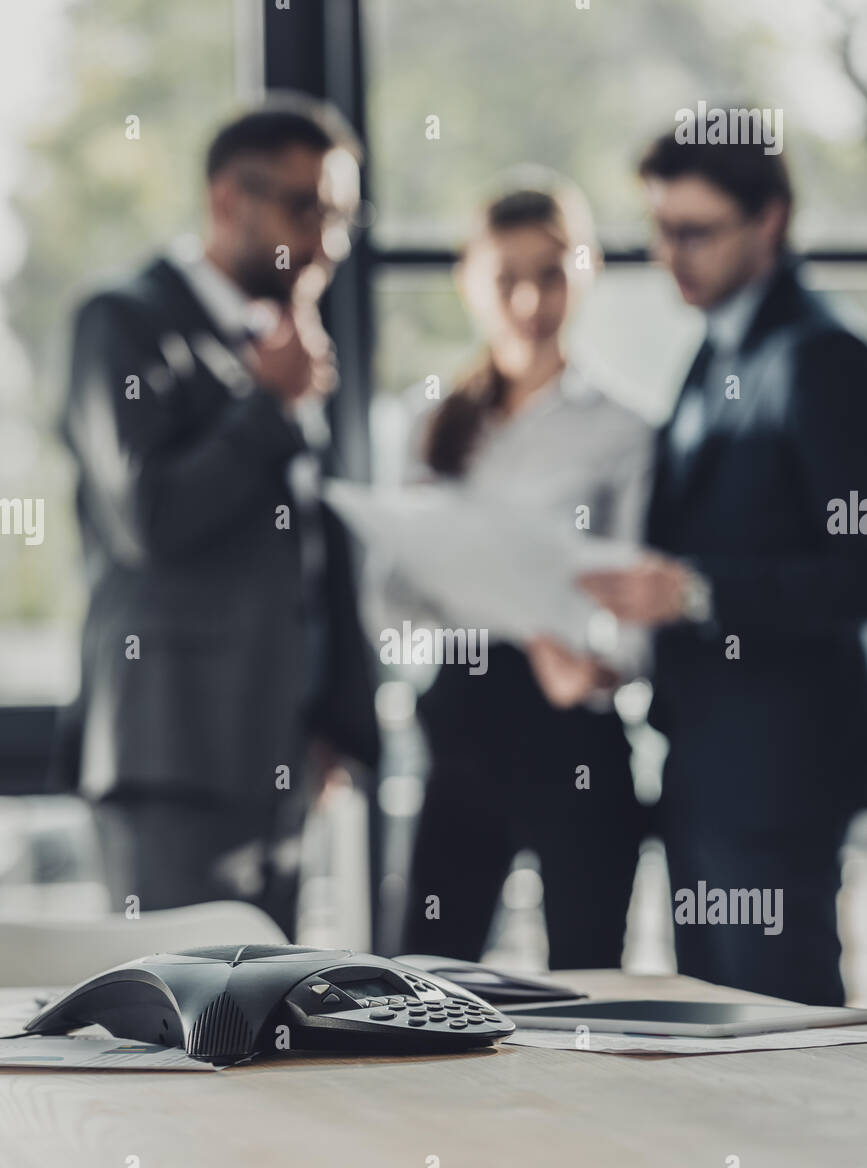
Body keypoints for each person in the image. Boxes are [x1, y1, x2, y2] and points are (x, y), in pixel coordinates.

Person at [61, 96, 379, 935]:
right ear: (226, 199)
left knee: (267, 1038)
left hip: (283, 761)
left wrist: (333, 720)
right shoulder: (122, 322)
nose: (327, 240)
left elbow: (312, 551)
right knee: (178, 1035)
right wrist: (268, 404)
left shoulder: (288, 348)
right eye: (305, 207)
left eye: (342, 214)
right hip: (172, 758)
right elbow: (147, 520)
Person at [582, 129, 867, 1005]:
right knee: (710, 1022)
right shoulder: (714, 352)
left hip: (777, 765)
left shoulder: (820, 360)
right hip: (702, 751)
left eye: (696, 231)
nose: (671, 255)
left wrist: (696, 590)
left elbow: (854, 573)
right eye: (660, 230)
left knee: (779, 1025)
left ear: (769, 220)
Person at [376, 181, 652, 968]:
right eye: (506, 278)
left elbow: (636, 593)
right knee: (428, 970)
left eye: (553, 273)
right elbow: (390, 596)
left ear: (587, 271)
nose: (530, 300)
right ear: (469, 280)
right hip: (461, 714)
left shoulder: (625, 428)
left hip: (574, 718)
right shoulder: (425, 422)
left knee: (589, 974)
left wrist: (600, 669)